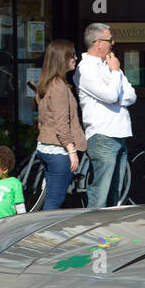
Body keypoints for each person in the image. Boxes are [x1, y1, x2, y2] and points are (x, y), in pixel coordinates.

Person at [75, 23, 136, 209]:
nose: (113, 43)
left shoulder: (108, 63)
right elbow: (110, 95)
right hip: (102, 135)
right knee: (100, 192)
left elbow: (131, 95)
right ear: (98, 43)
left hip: (120, 133)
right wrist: (116, 73)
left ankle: (108, 234)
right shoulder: (85, 68)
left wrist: (115, 92)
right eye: (110, 40)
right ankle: (93, 233)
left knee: (114, 191)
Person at [35, 39, 86, 211]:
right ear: (62, 59)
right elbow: (61, 124)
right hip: (58, 151)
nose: (76, 58)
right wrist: (72, 151)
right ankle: (44, 237)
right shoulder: (58, 87)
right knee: (54, 202)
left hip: (45, 147)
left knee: (51, 199)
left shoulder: (47, 83)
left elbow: (42, 120)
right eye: (72, 55)